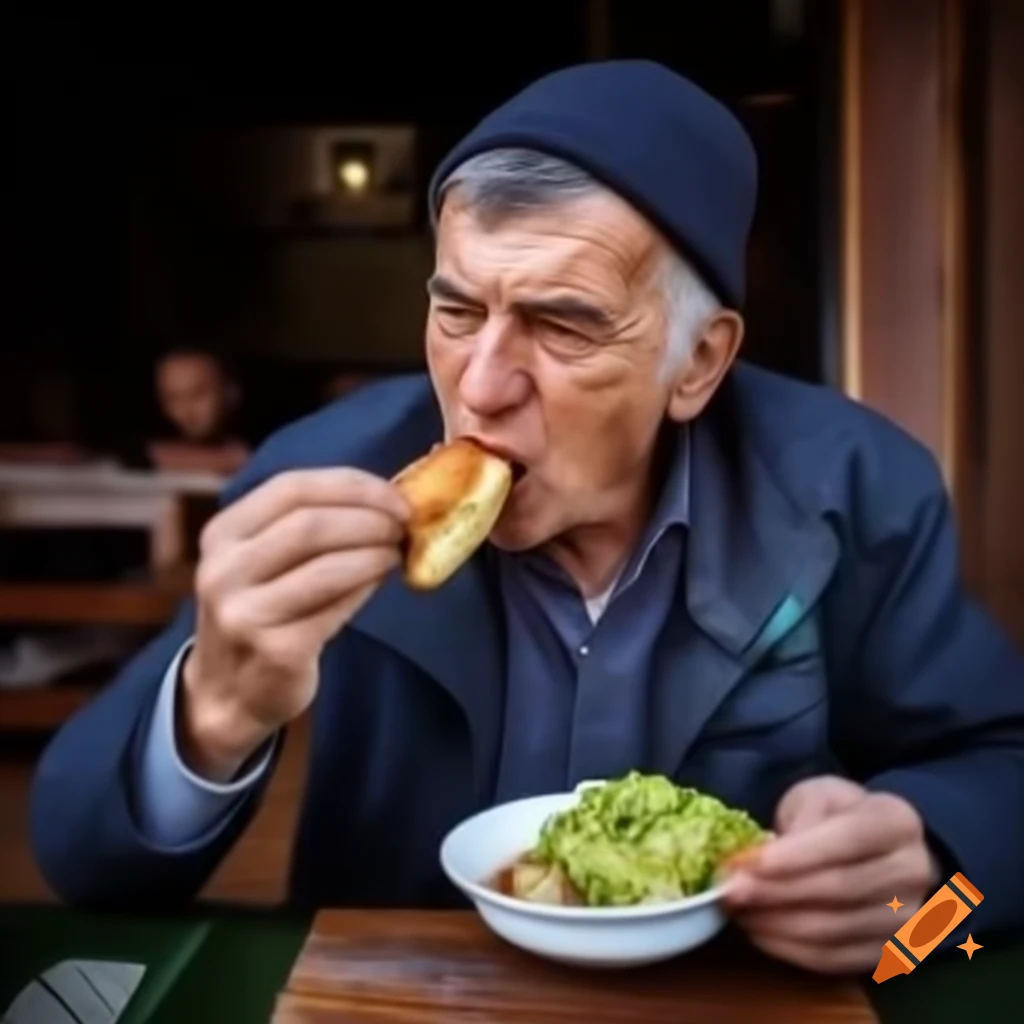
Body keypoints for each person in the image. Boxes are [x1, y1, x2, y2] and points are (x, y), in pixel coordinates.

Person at [30, 61, 1024, 975]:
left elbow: (997, 811)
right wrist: (212, 707)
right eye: (457, 313)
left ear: (698, 363)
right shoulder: (319, 475)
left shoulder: (858, 487)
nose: (482, 388)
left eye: (561, 324)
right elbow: (87, 875)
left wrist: (928, 889)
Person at [145, 348, 250, 475]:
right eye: (173, 398)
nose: (187, 411)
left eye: (198, 395)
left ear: (230, 393)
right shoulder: (141, 453)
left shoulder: (261, 452)